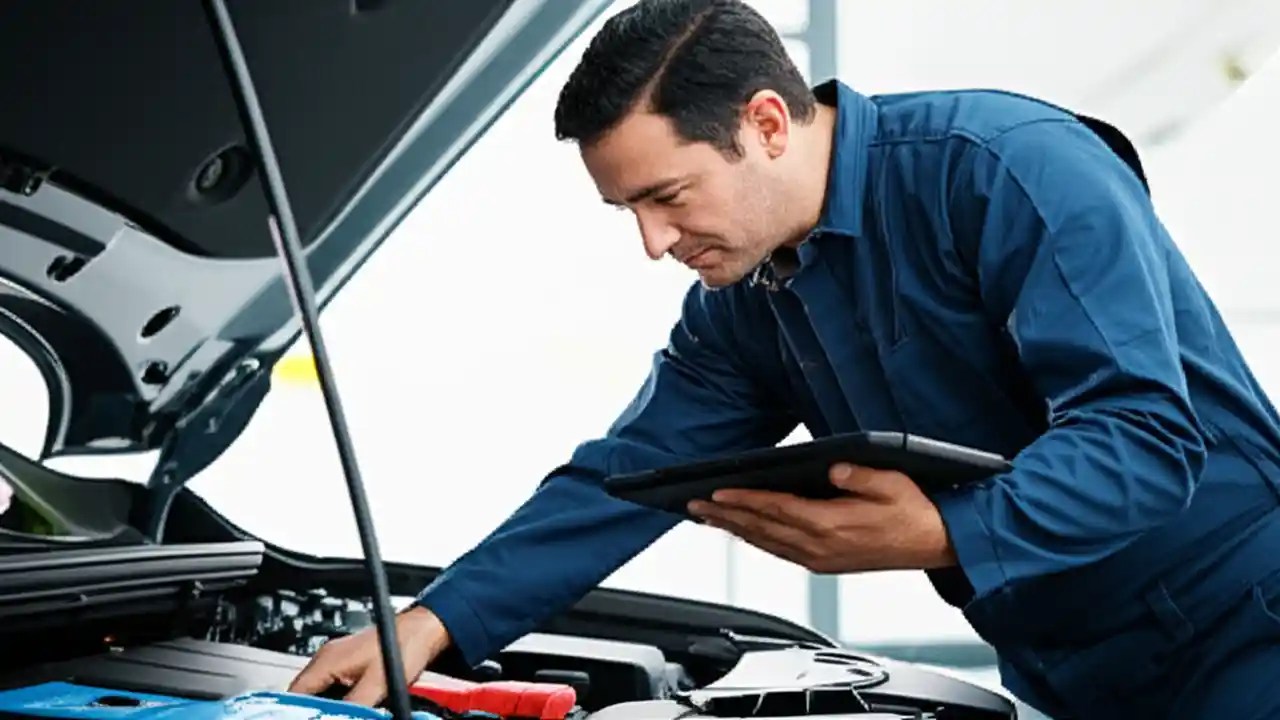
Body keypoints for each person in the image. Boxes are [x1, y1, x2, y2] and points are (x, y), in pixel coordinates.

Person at [289, 1, 1280, 717]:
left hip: (1241, 628)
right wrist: (431, 623)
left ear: (766, 123)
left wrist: (940, 529)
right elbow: (623, 478)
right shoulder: (744, 301)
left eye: (667, 197)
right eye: (626, 210)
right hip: (1062, 665)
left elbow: (1144, 439)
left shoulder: (1005, 167)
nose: (650, 241)